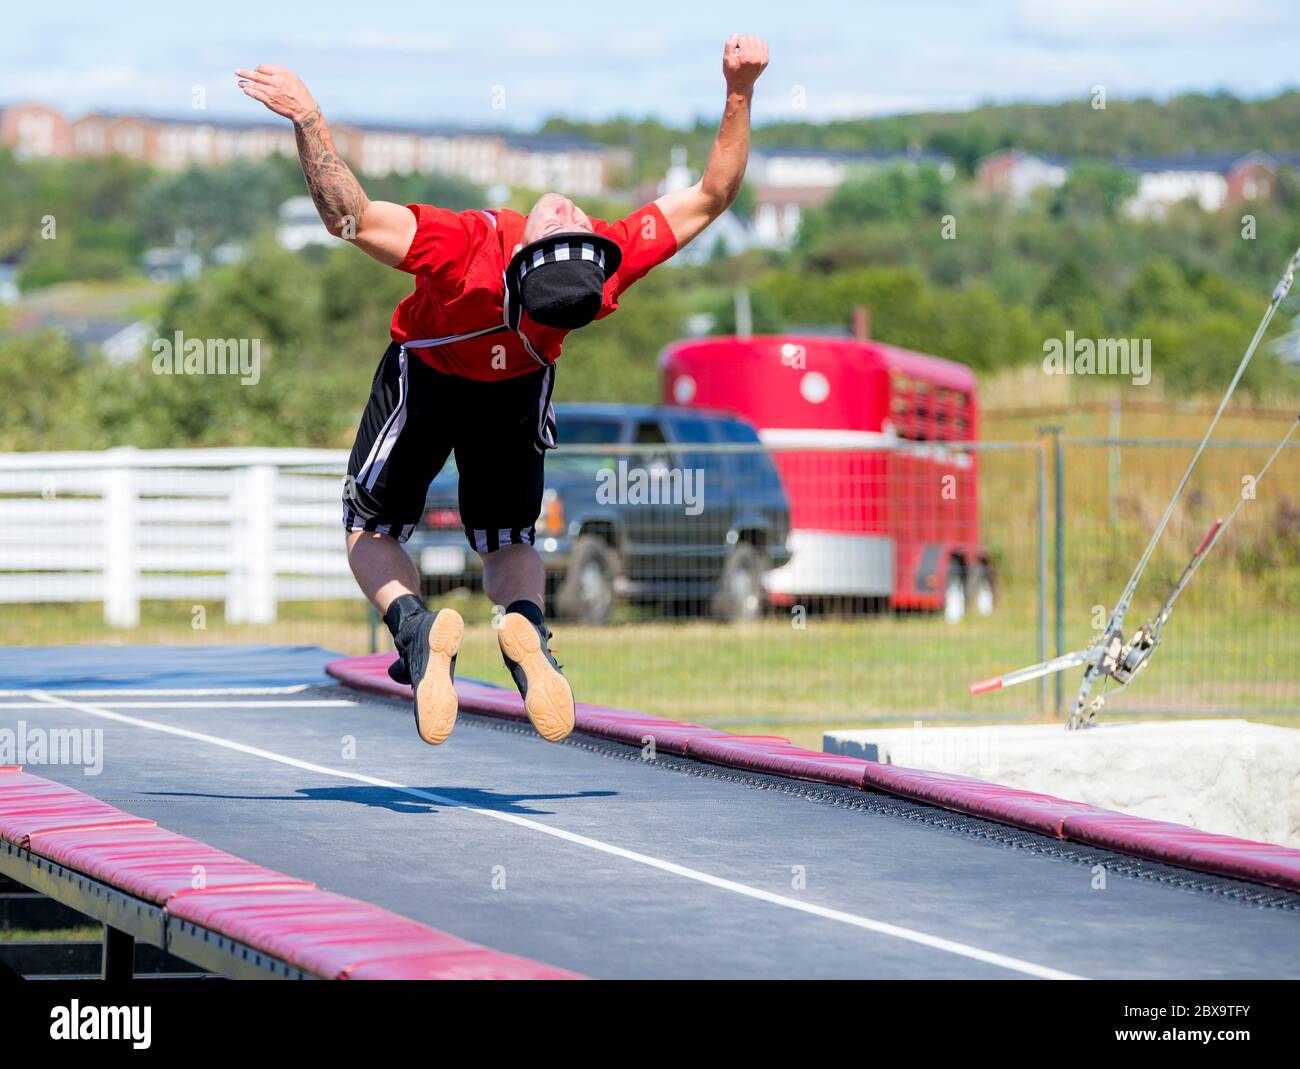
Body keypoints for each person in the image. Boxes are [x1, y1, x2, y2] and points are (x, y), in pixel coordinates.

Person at [237, 35, 768, 746]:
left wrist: (309, 119)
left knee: (369, 527)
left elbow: (350, 217)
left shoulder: (469, 243)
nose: (570, 210)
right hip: (516, 388)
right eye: (572, 222)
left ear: (527, 253)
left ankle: (417, 631)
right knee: (510, 537)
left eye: (563, 222)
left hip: (425, 378)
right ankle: (528, 631)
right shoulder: (603, 269)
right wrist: (739, 91)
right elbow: (714, 195)